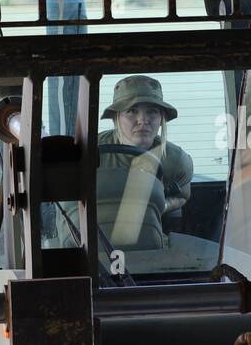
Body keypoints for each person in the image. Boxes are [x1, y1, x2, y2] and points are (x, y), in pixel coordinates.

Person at [76, 75, 193, 252]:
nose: (143, 120)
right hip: (92, 249)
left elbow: (183, 196)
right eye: (132, 111)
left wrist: (161, 205)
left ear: (161, 118)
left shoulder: (175, 160)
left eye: (152, 111)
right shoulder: (88, 154)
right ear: (116, 117)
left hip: (148, 250)